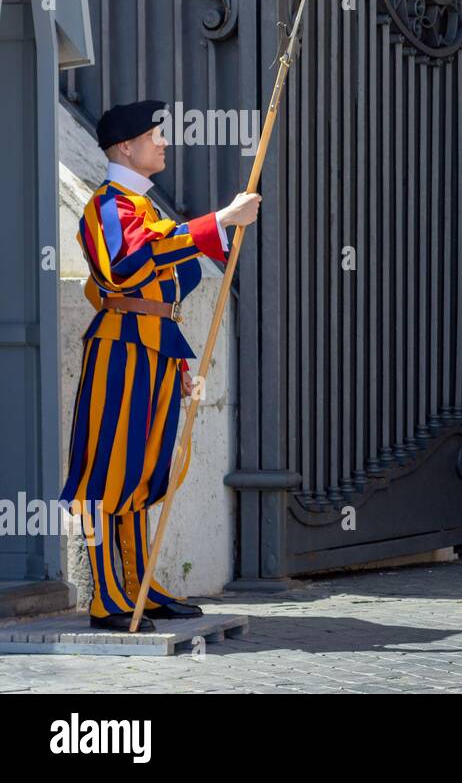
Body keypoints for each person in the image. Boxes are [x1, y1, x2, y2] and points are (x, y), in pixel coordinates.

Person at [61, 100, 261, 631]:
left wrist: (176, 361)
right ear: (126, 147)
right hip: (122, 347)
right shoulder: (107, 205)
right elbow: (126, 266)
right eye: (155, 135)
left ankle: (138, 585)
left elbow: (170, 279)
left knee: (143, 472)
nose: (164, 143)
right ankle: (107, 595)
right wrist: (217, 220)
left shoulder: (147, 209)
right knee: (108, 472)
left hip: (153, 346)